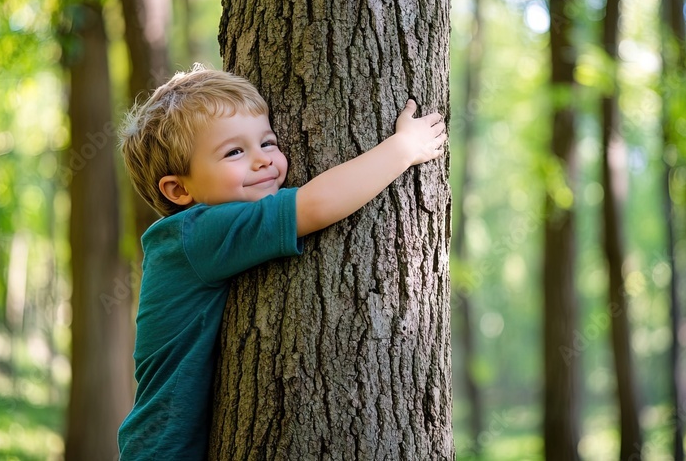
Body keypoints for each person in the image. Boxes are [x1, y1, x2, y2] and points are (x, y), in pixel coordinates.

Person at [116, 64, 446, 459]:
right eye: (234, 152)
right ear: (179, 188)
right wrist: (403, 149)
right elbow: (316, 204)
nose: (262, 161)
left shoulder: (198, 236)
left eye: (268, 143)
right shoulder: (196, 234)